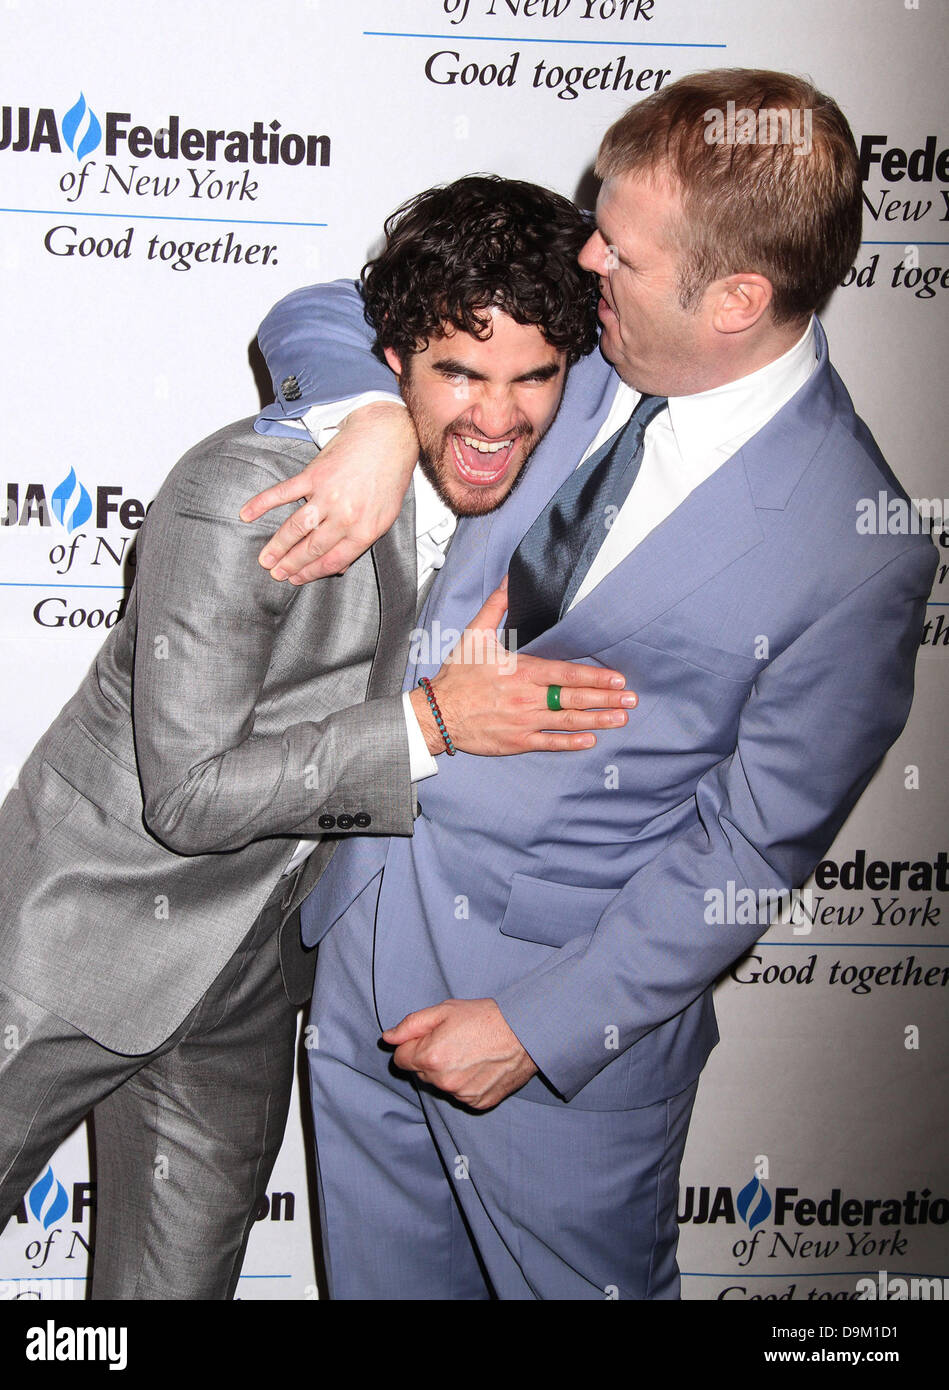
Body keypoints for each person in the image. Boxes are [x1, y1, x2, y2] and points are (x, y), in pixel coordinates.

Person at [246, 69, 937, 1299]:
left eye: (614, 248)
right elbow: (324, 312)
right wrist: (371, 418)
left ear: (734, 296)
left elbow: (749, 852)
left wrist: (537, 1030)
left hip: (558, 1040)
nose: (582, 258)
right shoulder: (585, 334)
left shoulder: (856, 540)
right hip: (362, 949)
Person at [0, 176, 631, 1299]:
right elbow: (185, 798)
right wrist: (431, 726)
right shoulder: (247, 494)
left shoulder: (534, 454)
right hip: (69, 942)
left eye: (532, 379)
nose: (496, 417)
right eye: (457, 375)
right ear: (390, 361)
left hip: (243, 990)